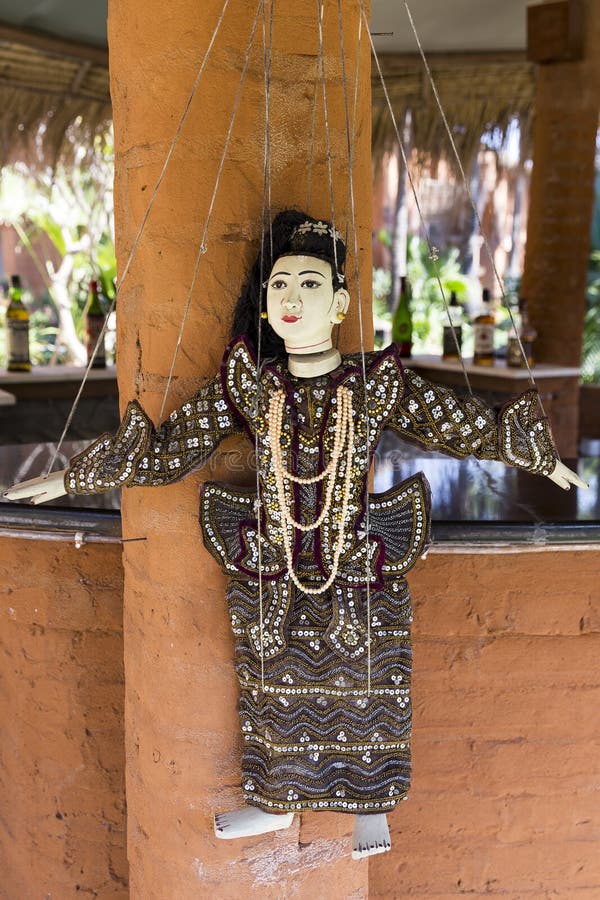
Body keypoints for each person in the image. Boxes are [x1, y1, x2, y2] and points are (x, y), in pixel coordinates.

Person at [4, 210, 585, 860]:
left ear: (339, 303)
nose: (290, 298)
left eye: (309, 285)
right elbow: (172, 449)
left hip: (357, 562)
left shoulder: (374, 383)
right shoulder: (250, 384)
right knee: (271, 685)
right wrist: (73, 477)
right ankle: (273, 801)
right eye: (280, 285)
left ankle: (371, 806)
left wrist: (539, 456)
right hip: (271, 568)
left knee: (367, 681)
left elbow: (457, 423)